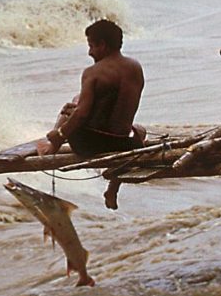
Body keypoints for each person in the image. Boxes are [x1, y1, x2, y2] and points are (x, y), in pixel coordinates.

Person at [35, 19, 145, 209]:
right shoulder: (135, 67)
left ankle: (52, 145)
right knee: (141, 130)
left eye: (92, 46)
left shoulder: (93, 73)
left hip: (91, 145)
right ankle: (113, 188)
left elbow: (82, 115)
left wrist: (60, 133)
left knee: (75, 103)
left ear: (102, 45)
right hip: (124, 144)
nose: (90, 52)